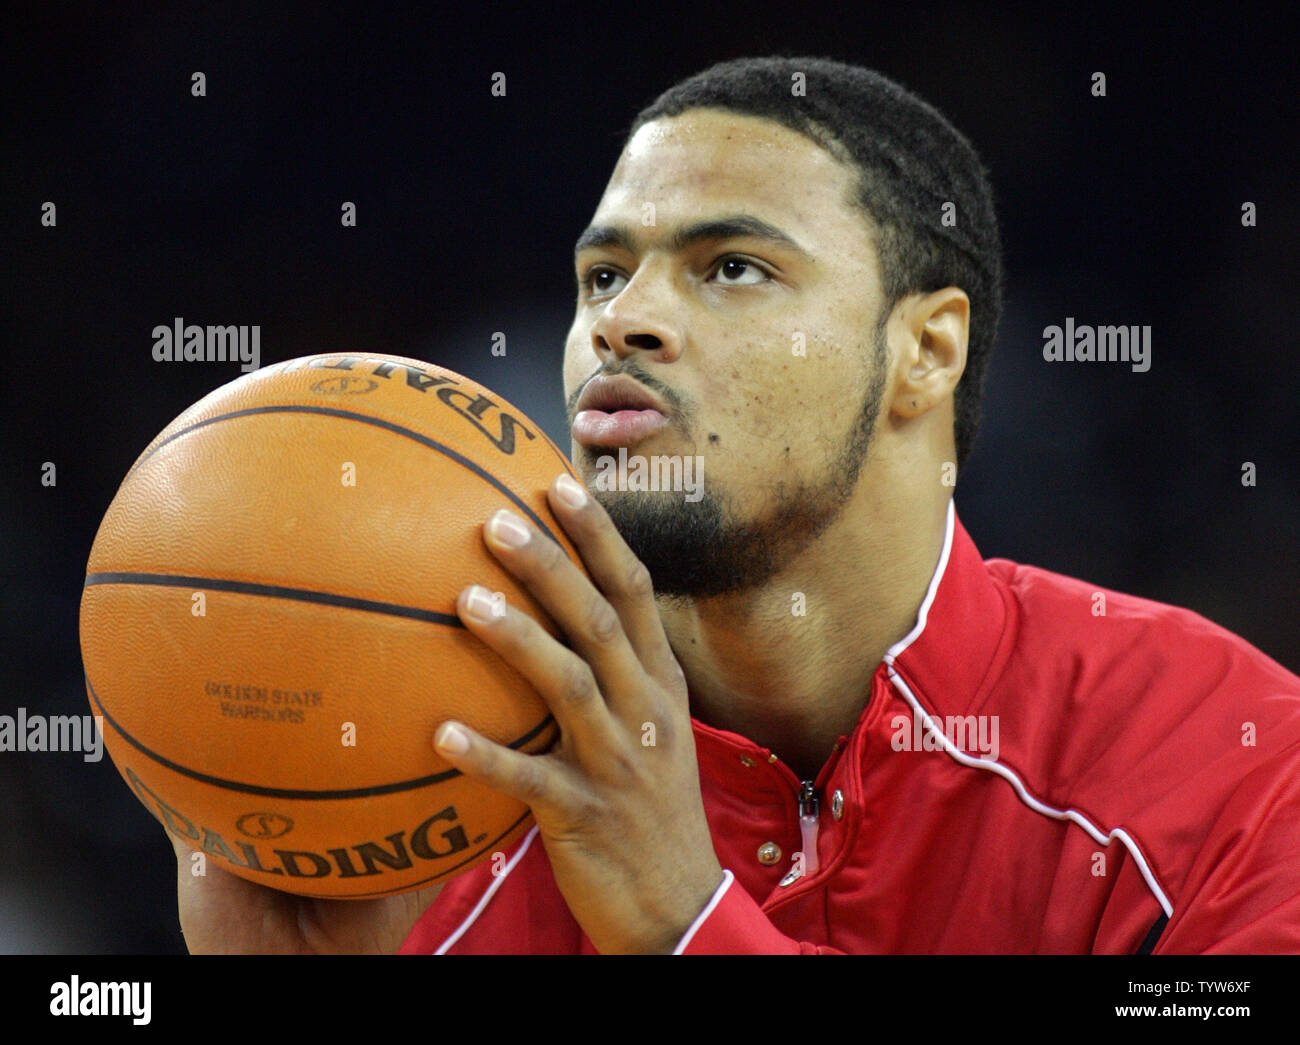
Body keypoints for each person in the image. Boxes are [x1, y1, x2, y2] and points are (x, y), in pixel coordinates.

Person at [172, 56, 1300, 955]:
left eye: (733, 268)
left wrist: (683, 923)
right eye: (602, 277)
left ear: (925, 350)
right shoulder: (430, 796)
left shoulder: (1226, 764)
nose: (623, 321)